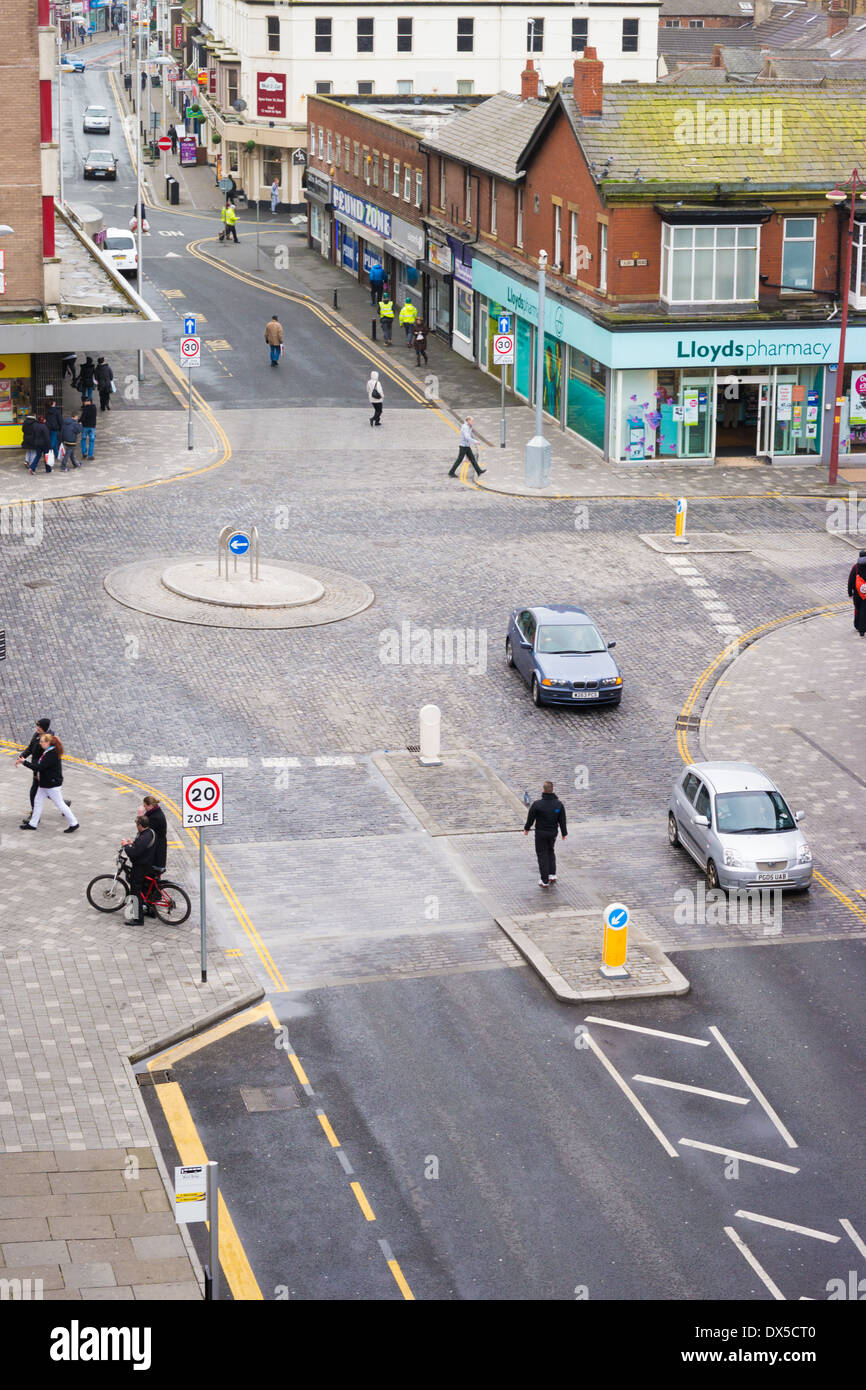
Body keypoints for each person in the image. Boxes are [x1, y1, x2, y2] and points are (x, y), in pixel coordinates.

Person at [20, 734, 79, 833]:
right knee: (37, 801)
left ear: (48, 743)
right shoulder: (49, 751)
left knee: (60, 804)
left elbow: (40, 767)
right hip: (45, 783)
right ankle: (33, 824)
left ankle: (74, 823)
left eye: (42, 741)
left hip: (51, 784)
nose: (40, 743)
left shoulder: (52, 754)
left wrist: (24, 762)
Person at [523, 781, 567, 887]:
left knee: (542, 855)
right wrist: (564, 833)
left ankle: (544, 880)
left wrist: (526, 829)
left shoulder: (537, 804)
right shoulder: (558, 804)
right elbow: (562, 820)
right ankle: (552, 874)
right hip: (553, 833)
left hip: (541, 833)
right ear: (552, 790)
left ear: (543, 790)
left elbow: (531, 818)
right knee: (550, 851)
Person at [122, 815, 156, 924]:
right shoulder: (150, 832)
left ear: (140, 825)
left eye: (137, 824)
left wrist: (126, 846)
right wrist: (133, 843)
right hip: (149, 864)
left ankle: (138, 919)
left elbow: (133, 853)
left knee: (135, 891)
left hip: (141, 867)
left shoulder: (143, 837)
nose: (136, 826)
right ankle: (150, 911)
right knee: (146, 890)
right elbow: (143, 847)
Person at [15, 717, 52, 817]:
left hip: (42, 770)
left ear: (44, 728)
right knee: (48, 792)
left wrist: (26, 763)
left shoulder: (48, 740)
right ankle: (64, 804)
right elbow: (30, 748)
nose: (37, 728)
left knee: (34, 792)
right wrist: (22, 756)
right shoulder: (37, 735)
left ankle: (35, 815)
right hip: (36, 768)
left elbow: (47, 758)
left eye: (39, 726)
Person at [141, 795, 167, 884]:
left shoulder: (155, 817)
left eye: (145, 806)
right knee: (153, 877)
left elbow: (145, 832)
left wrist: (140, 818)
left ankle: (155, 894)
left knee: (151, 875)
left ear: (150, 806)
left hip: (156, 851)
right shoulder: (155, 813)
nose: (144, 808)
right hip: (157, 849)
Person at [848, 549, 866, 637]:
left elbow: (850, 580)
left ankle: (857, 625)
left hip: (857, 593)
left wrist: (850, 593)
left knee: (858, 609)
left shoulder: (855, 567)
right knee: (864, 610)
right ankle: (862, 630)